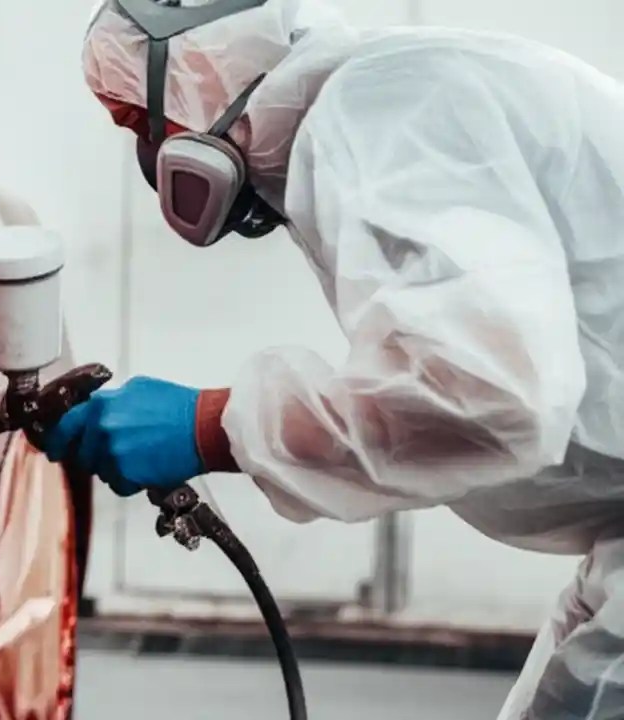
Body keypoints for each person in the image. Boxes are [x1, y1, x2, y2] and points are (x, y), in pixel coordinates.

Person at [45, 1, 624, 718]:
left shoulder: (381, 111)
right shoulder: (387, 91)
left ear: (198, 72)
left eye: (139, 123)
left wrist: (207, 427)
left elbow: (496, 394)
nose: (147, 158)